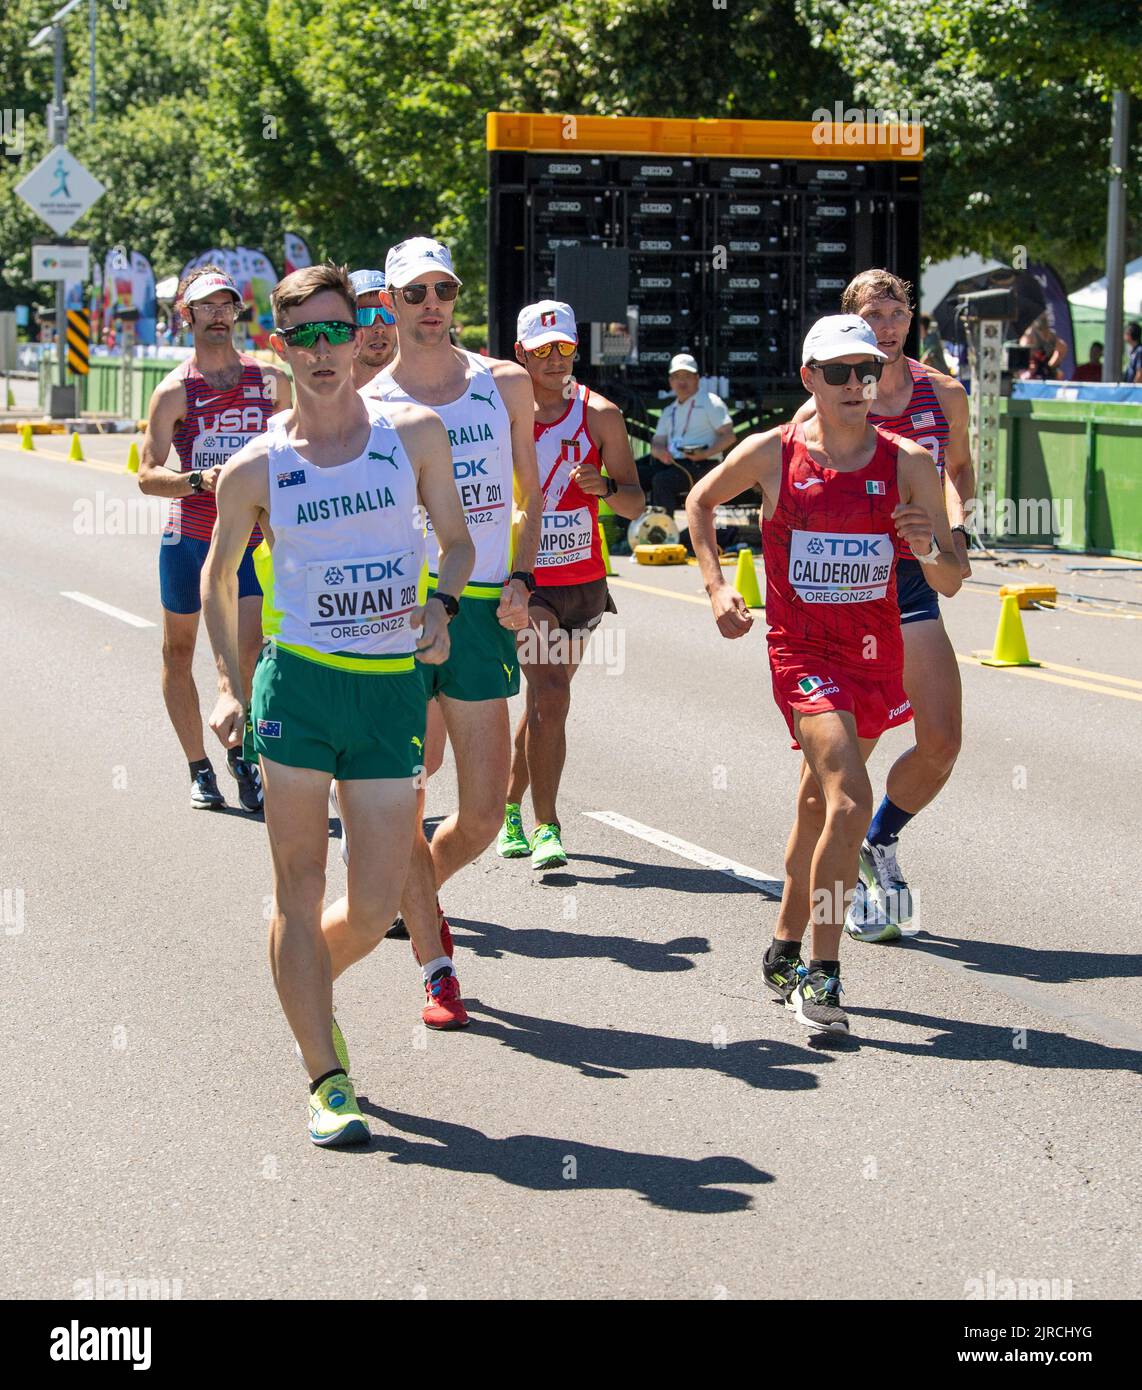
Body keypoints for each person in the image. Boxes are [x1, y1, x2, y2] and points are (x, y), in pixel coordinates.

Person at [202, 262, 474, 1146]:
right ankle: (326, 1074)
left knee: (370, 907)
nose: (324, 351)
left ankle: (301, 980)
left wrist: (438, 608)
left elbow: (461, 543)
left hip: (390, 686)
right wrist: (228, 685)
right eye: (305, 337)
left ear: (362, 335)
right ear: (279, 350)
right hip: (301, 688)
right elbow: (219, 580)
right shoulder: (256, 466)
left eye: (337, 331)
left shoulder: (417, 434)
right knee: (298, 880)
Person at [688, 315, 961, 1034]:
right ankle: (824, 974)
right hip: (803, 659)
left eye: (865, 372)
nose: (854, 386)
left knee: (815, 804)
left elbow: (954, 578)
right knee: (847, 801)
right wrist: (718, 587)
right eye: (837, 372)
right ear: (808, 377)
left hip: (875, 661)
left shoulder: (906, 462)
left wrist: (928, 545)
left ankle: (782, 943)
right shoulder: (772, 454)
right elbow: (699, 502)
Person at [359, 238, 541, 972]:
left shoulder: (506, 384)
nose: (432, 306)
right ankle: (435, 960)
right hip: (401, 612)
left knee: (483, 814)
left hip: (484, 605)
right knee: (409, 783)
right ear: (391, 304)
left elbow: (531, 497)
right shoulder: (369, 403)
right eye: (414, 294)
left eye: (444, 291)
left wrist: (525, 579)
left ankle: (412, 894)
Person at [793, 269, 974, 942]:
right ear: (854, 325)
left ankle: (879, 839)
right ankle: (808, 924)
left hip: (910, 577)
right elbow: (793, 480)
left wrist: (951, 533)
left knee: (942, 740)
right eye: (875, 314)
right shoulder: (828, 399)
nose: (890, 324)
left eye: (897, 311)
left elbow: (958, 475)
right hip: (846, 587)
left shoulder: (943, 393)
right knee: (840, 769)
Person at [496, 300, 644, 868]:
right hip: (527, 581)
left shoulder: (601, 415)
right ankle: (547, 826)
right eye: (543, 350)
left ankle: (510, 805)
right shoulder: (499, 417)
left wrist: (604, 485)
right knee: (552, 692)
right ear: (521, 354)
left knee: (546, 705)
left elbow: (635, 503)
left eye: (565, 348)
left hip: (584, 582)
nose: (556, 360)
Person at [137, 266, 290, 812]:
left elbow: (302, 436)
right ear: (188, 316)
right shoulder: (175, 390)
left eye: (227, 304)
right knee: (178, 652)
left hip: (249, 542)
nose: (220, 314)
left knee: (247, 655)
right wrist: (199, 479)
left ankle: (243, 759)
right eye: (207, 306)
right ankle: (198, 766)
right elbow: (147, 473)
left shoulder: (270, 381)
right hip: (190, 538)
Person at [646, 353, 737, 514]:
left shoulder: (710, 402)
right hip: (674, 462)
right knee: (637, 474)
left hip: (703, 464)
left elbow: (729, 436)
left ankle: (666, 530)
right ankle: (628, 529)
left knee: (662, 481)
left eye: (687, 376)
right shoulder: (669, 410)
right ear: (670, 381)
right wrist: (660, 452)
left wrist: (705, 453)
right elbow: (657, 442)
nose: (682, 381)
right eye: (677, 377)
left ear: (697, 378)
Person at [348, 268, 397, 388]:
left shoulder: (422, 393)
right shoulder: (328, 400)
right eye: (365, 316)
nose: (379, 327)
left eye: (388, 314)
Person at [1019, 312, 1068, 380]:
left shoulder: (1051, 337)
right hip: (1030, 373)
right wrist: (1030, 367)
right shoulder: (1029, 336)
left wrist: (1051, 365)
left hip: (1046, 372)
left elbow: (1062, 348)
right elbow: (1023, 353)